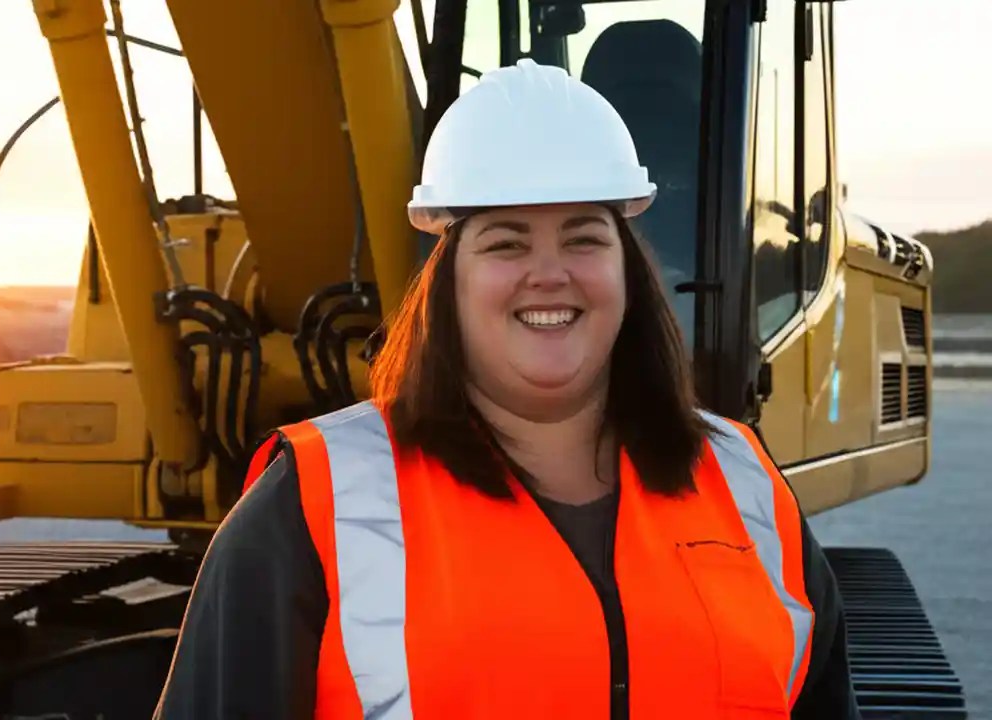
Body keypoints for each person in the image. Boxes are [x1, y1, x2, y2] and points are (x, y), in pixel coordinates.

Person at [153, 59, 859, 720]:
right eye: (506, 242)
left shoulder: (747, 487)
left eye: (584, 238)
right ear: (449, 284)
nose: (548, 273)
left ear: (628, 276)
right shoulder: (315, 505)